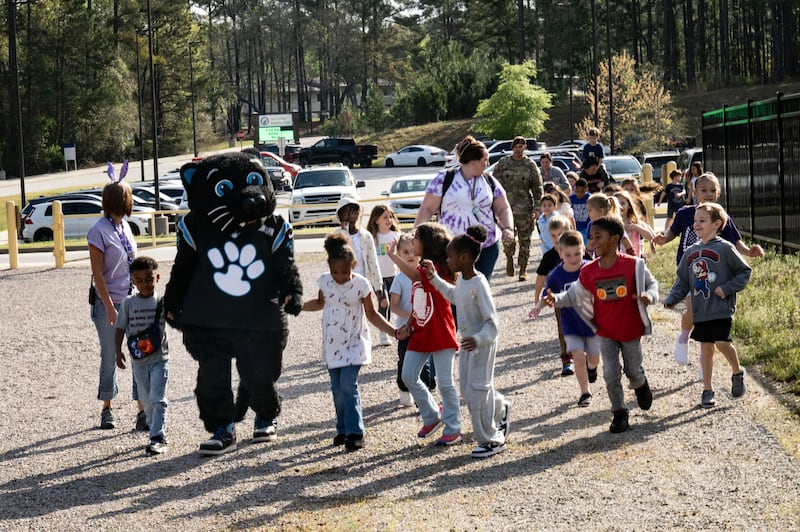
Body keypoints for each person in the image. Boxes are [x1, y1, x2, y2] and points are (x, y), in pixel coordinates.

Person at [545, 216, 659, 433]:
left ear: (615, 239)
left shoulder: (633, 265)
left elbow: (651, 284)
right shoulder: (589, 271)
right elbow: (573, 294)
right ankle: (619, 413)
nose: (593, 241)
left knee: (633, 371)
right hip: (605, 331)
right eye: (591, 237)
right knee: (610, 373)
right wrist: (556, 299)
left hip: (630, 329)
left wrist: (649, 296)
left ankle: (641, 385)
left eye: (599, 236)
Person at [302, 233, 407, 452]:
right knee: (337, 389)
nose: (339, 277)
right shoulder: (325, 281)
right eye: (335, 272)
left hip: (355, 342)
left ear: (354, 265)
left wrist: (394, 331)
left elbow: (372, 314)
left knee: (348, 385)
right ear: (329, 268)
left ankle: (356, 432)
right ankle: (342, 429)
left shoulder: (361, 284)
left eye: (344, 272)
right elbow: (320, 303)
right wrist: (298, 306)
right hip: (333, 344)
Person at [653, 172, 763, 369]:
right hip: (689, 271)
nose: (709, 194)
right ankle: (683, 338)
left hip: (713, 274)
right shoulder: (686, 213)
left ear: (718, 193)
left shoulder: (721, 218)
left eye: (713, 190)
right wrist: (662, 239)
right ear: (694, 192)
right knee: (694, 309)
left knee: (708, 319)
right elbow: (671, 233)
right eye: (704, 190)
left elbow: (735, 241)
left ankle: (705, 368)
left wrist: (749, 251)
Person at [421, 225, 510, 458]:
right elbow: (454, 296)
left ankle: (491, 440)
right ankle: (501, 407)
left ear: (464, 257)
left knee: (478, 392)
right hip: (469, 344)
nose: (447, 261)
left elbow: (493, 323)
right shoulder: (463, 281)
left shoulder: (480, 285)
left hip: (482, 345)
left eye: (450, 257)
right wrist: (434, 278)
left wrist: (479, 339)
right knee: (469, 392)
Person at [663, 203, 752, 408]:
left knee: (721, 343)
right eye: (695, 221)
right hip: (700, 310)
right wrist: (672, 298)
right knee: (705, 347)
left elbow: (744, 272)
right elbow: (682, 280)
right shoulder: (691, 252)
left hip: (721, 308)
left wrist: (727, 288)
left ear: (717, 224)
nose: (696, 225)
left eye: (702, 221)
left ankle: (737, 372)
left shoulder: (725, 248)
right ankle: (707, 390)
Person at [389, 222, 462, 446]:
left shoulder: (435, 268)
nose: (412, 242)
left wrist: (393, 256)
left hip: (440, 333)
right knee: (409, 376)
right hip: (420, 332)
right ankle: (432, 416)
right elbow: (420, 302)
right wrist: (409, 324)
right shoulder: (424, 267)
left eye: (416, 239)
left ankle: (453, 428)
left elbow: (417, 277)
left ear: (427, 243)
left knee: (445, 383)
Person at [414, 135, 516, 282]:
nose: (488, 163)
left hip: (486, 247)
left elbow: (503, 208)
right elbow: (427, 209)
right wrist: (417, 235)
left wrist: (508, 228)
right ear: (473, 161)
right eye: (484, 160)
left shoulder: (490, 181)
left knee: (479, 289)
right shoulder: (444, 178)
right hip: (451, 247)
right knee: (452, 290)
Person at [88, 176, 142, 430]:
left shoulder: (126, 228)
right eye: (126, 196)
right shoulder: (98, 231)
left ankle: (141, 410)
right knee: (110, 355)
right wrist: (109, 306)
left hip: (131, 301)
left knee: (139, 353)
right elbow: (97, 273)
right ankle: (107, 408)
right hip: (107, 303)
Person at [530, 231, 599, 407]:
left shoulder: (591, 268)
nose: (573, 258)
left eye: (577, 253)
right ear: (560, 254)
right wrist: (538, 307)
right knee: (577, 356)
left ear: (583, 249)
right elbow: (549, 296)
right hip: (570, 324)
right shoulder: (556, 275)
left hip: (592, 323)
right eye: (568, 255)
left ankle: (592, 368)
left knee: (594, 358)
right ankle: (585, 392)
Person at [114, 256, 169, 455]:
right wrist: (117, 351)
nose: (144, 284)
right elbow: (120, 328)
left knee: (158, 398)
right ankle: (154, 426)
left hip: (159, 359)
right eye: (139, 280)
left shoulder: (163, 302)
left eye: (148, 279)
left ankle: (157, 436)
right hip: (138, 361)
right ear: (133, 281)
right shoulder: (128, 304)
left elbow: (177, 319)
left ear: (157, 277)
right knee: (146, 400)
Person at [389, 233, 436, 407]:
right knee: (404, 361)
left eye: (413, 251)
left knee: (424, 364)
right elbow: (393, 306)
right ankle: (403, 387)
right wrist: (410, 318)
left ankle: (423, 399)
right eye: (405, 252)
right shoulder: (400, 279)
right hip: (405, 330)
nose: (410, 255)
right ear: (399, 255)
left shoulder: (426, 275)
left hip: (424, 329)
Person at [487, 136, 543, 281]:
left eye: (522, 146)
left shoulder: (530, 165)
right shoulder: (504, 163)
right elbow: (494, 186)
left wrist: (537, 208)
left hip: (525, 209)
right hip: (507, 209)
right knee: (508, 238)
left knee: (526, 240)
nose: (519, 149)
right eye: (516, 146)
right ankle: (509, 257)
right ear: (513, 148)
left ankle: (523, 268)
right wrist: (494, 206)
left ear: (525, 148)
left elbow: (538, 188)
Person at [336, 198, 385, 342]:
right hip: (343, 282)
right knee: (345, 312)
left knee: (364, 312)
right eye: (348, 211)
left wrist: (378, 286)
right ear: (341, 215)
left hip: (362, 280)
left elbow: (372, 261)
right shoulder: (338, 234)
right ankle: (344, 339)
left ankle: (362, 341)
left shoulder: (365, 236)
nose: (352, 214)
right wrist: (344, 231)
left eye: (355, 210)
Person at [532, 215, 575, 376]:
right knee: (563, 328)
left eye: (561, 234)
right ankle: (567, 359)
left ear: (569, 231)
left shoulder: (578, 250)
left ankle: (584, 355)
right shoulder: (550, 257)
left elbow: (590, 270)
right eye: (553, 235)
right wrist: (537, 297)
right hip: (560, 300)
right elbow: (541, 277)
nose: (557, 239)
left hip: (581, 299)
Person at [367, 204, 400, 346]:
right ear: (376, 220)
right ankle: (383, 333)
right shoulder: (372, 238)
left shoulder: (396, 236)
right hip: (377, 277)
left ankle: (387, 328)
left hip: (393, 275)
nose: (389, 220)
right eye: (385, 217)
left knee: (392, 303)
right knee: (383, 302)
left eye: (390, 217)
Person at [614, 190, 656, 258]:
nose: (620, 207)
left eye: (622, 203)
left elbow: (650, 237)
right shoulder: (612, 223)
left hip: (635, 259)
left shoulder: (634, 222)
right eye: (617, 204)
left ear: (629, 206)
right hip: (618, 261)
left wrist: (635, 227)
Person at [570, 177, 591, 242]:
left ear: (586, 189)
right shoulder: (571, 198)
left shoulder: (590, 198)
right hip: (575, 227)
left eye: (582, 192)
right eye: (577, 191)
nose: (579, 194)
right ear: (575, 189)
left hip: (587, 227)